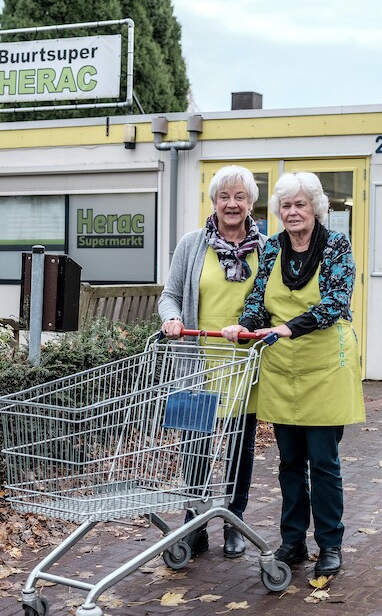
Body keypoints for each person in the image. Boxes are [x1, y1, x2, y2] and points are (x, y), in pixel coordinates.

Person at [222, 172, 365, 577]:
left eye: (300, 204)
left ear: (315, 207)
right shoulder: (272, 249)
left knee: (323, 462)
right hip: (282, 367)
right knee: (289, 462)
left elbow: (336, 301)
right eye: (285, 205)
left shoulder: (336, 244)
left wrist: (286, 327)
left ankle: (331, 545)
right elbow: (257, 299)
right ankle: (293, 541)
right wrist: (244, 327)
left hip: (325, 366)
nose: (292, 212)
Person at [158, 164, 265, 559]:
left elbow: (272, 304)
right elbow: (169, 294)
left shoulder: (267, 248)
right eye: (224, 196)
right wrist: (172, 318)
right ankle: (195, 524)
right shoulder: (192, 244)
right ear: (214, 202)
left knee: (240, 448)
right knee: (195, 447)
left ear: (251, 203)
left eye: (240, 197)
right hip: (195, 363)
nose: (232, 204)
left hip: (243, 367)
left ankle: (234, 521)